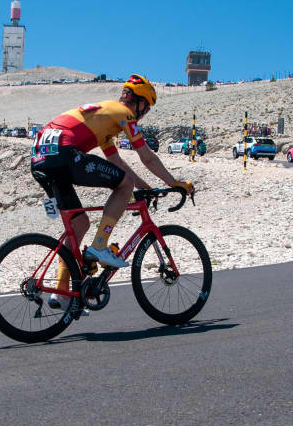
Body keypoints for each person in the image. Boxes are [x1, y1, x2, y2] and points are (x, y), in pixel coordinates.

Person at [30, 74, 192, 309]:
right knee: (123, 185)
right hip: (64, 153)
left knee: (79, 225)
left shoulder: (105, 117)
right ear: (138, 102)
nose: (143, 114)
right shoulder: (123, 113)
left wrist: (144, 187)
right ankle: (100, 246)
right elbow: (147, 157)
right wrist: (174, 182)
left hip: (40, 158)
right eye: (145, 108)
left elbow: (117, 163)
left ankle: (62, 293)